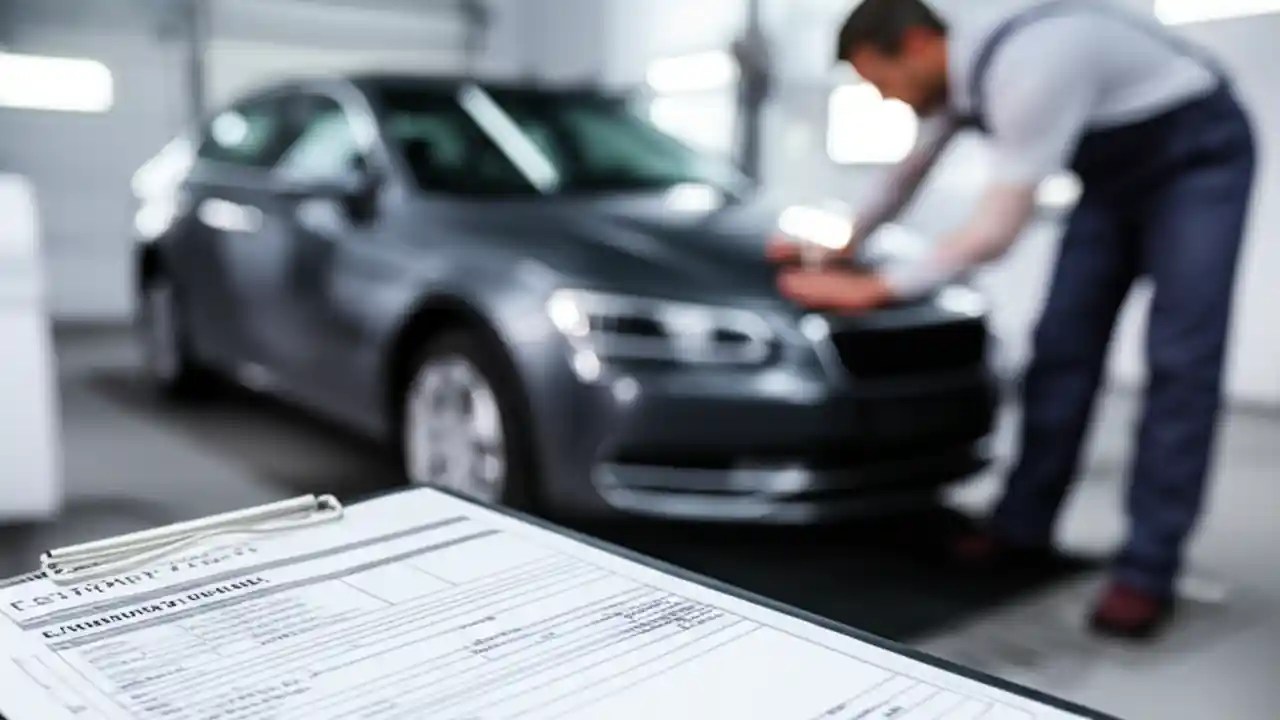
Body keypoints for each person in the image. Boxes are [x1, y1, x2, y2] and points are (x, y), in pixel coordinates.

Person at [772, 0, 1255, 639]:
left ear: (916, 45)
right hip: (1111, 179)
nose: (886, 98)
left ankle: (1147, 569)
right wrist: (843, 244)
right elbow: (904, 175)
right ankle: (1021, 528)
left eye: (880, 81)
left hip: (1199, 153)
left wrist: (880, 288)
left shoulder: (1030, 66)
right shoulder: (962, 78)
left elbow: (996, 231)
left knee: (1180, 361)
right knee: (1060, 347)